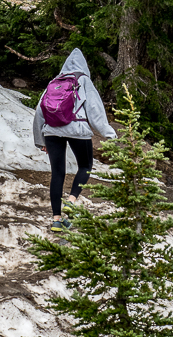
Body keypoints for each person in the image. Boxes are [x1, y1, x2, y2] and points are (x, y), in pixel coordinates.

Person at [32, 49, 116, 232]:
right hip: (77, 128)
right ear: (83, 65)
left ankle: (56, 220)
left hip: (52, 130)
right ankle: (71, 201)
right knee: (85, 166)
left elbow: (40, 111)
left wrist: (41, 140)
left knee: (57, 173)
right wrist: (109, 134)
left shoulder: (54, 82)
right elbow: (95, 110)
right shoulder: (83, 80)